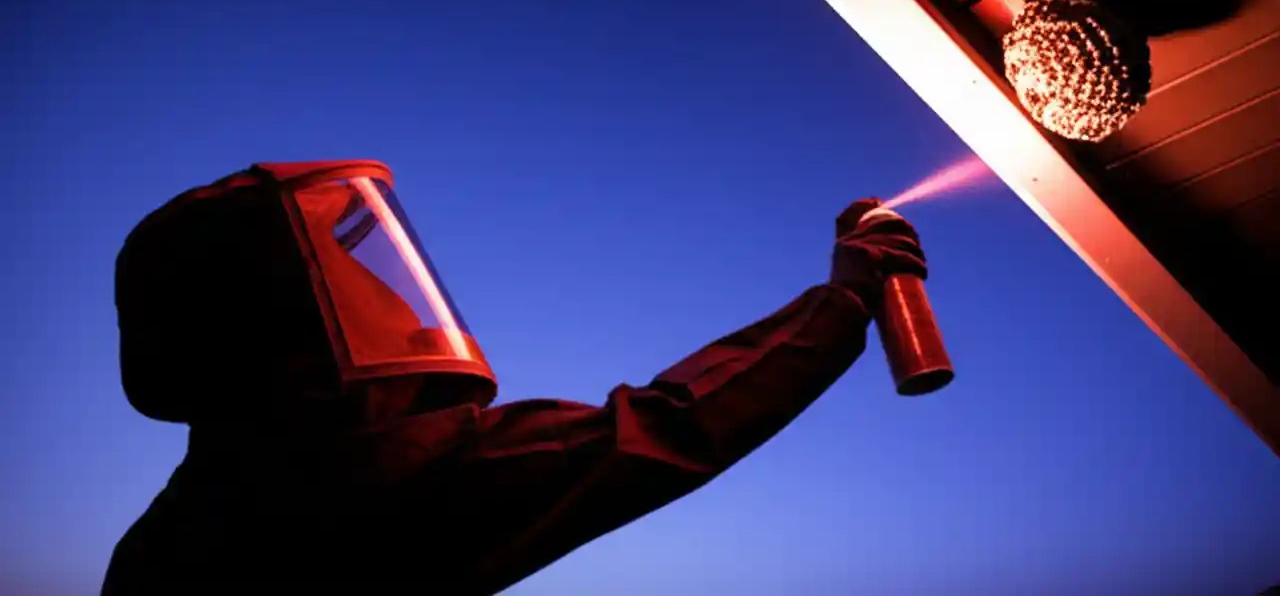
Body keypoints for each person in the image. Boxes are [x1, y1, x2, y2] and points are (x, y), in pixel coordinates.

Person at [101, 159, 928, 595]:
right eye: (339, 284)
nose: (393, 304)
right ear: (281, 327)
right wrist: (845, 298)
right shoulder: (359, 481)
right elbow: (665, 427)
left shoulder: (166, 540)